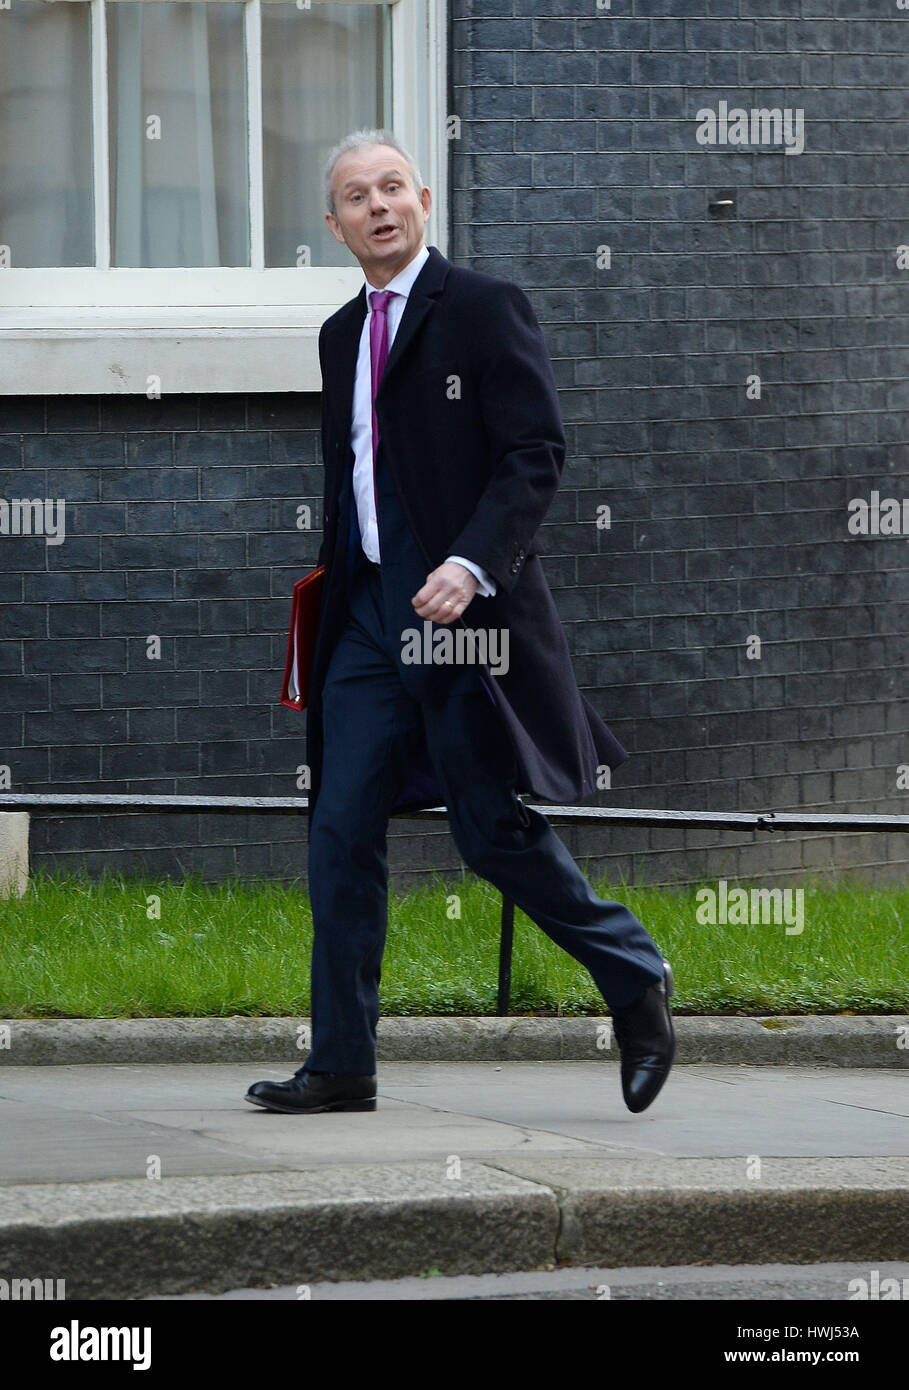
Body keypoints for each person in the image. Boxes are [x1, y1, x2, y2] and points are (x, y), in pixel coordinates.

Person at [246, 128, 674, 1118]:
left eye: (394, 187)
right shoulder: (338, 335)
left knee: (490, 831)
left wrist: (472, 561)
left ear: (424, 199)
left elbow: (535, 452)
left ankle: (633, 972)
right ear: (335, 224)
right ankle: (342, 1062)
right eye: (357, 196)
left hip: (460, 619)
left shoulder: (483, 309)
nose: (379, 206)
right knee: (339, 829)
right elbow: (355, 477)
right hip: (361, 619)